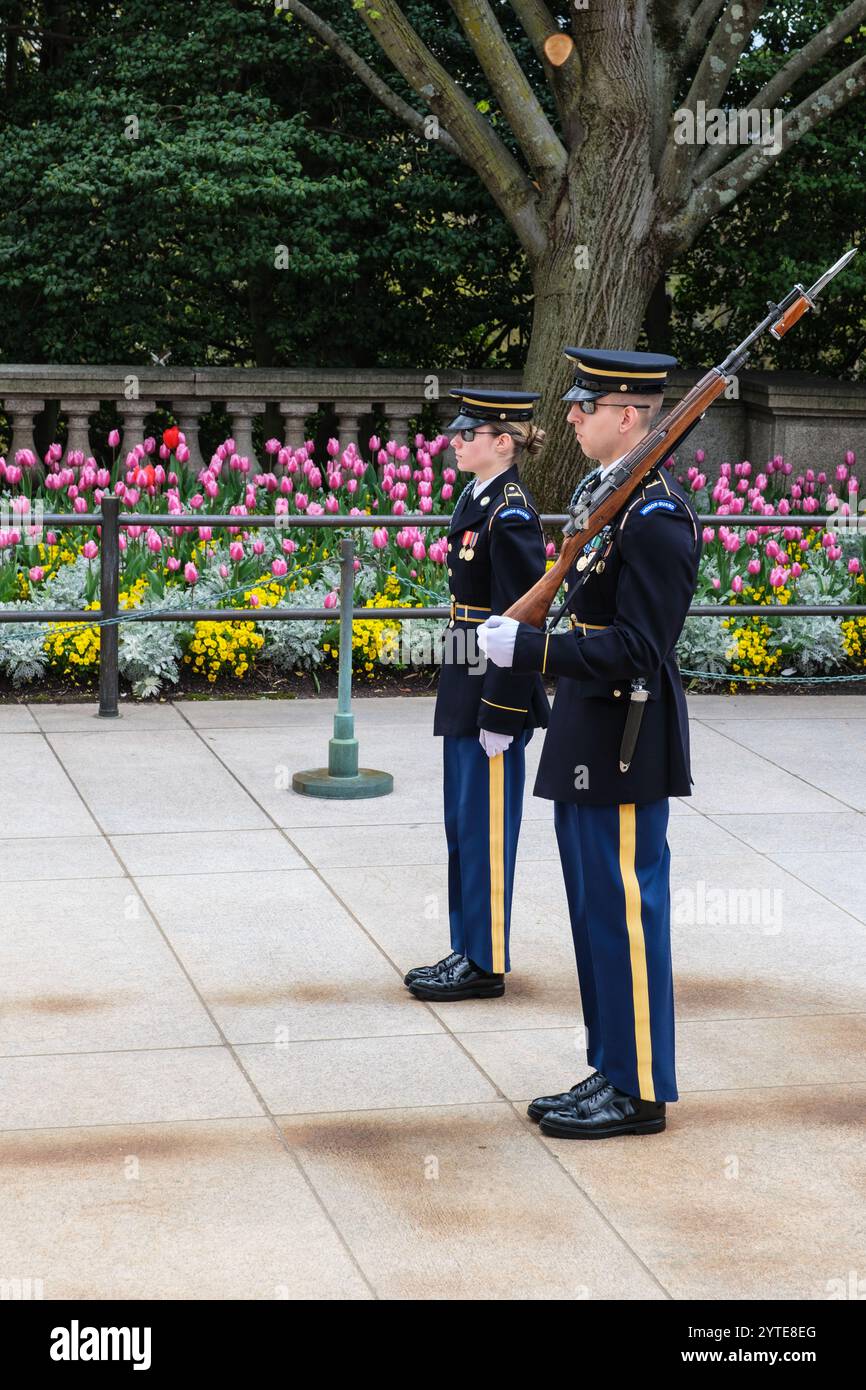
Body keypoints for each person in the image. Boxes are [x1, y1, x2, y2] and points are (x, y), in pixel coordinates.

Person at [477, 349, 701, 1137]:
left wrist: (531, 651)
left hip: (626, 739)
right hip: (587, 733)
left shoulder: (658, 519)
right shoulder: (611, 499)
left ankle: (639, 1089)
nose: (570, 415)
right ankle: (610, 1064)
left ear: (630, 417)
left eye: (586, 404)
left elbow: (639, 648)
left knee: (627, 914)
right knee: (593, 913)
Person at [404, 388, 550, 1002]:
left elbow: (523, 622)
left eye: (469, 433)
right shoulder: (478, 498)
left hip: (492, 687)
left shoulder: (511, 515)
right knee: (463, 825)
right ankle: (467, 945)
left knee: (488, 828)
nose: (455, 441)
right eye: (458, 432)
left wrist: (504, 707)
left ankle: (485, 959)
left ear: (503, 442)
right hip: (467, 670)